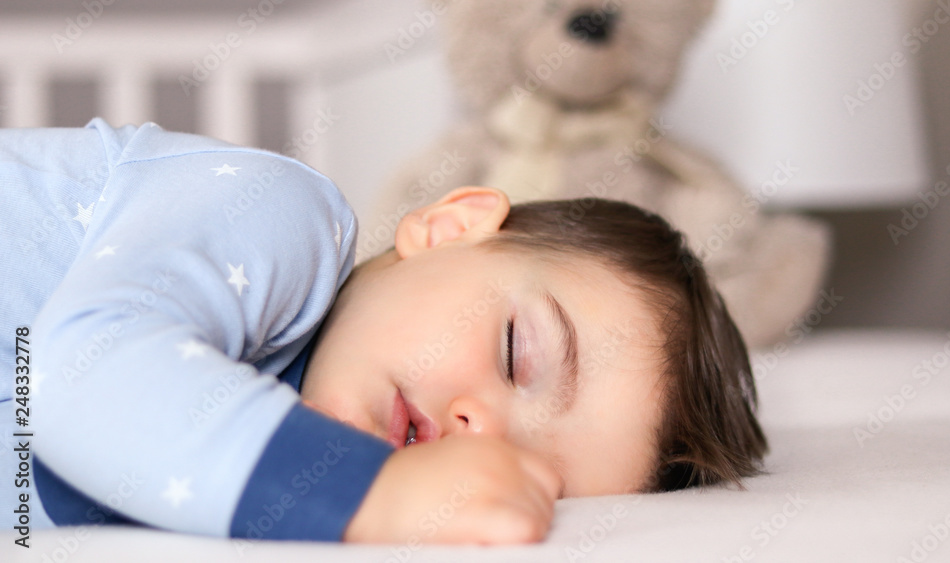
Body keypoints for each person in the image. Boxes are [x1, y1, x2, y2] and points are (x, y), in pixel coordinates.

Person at [0, 118, 766, 546]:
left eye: (515, 466)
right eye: (514, 352)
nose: (479, 430)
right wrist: (374, 488)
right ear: (449, 226)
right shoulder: (281, 218)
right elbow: (79, 373)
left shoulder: (248, 488)